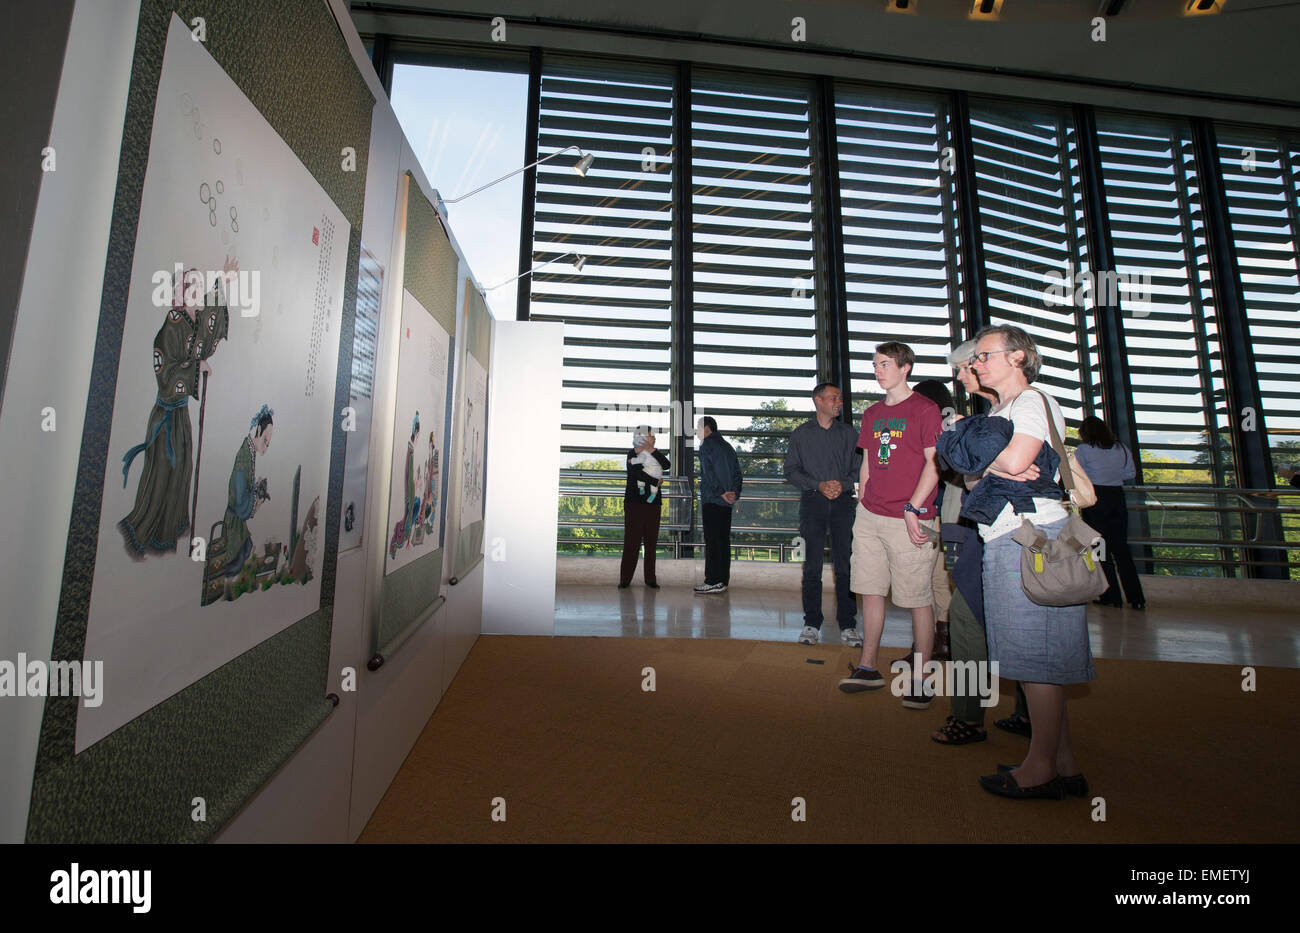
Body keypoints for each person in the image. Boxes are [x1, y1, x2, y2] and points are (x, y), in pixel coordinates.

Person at [967, 323, 1093, 800]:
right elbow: (976, 475)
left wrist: (984, 459)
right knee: (1038, 655)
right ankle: (1062, 760)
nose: (976, 364)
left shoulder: (1030, 403)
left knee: (1037, 659)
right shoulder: (1005, 410)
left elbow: (1015, 463)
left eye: (984, 355)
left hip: (1030, 538)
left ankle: (1040, 769)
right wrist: (987, 463)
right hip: (1017, 534)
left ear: (1018, 357)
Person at [837, 342, 943, 709]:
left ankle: (921, 676)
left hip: (910, 518)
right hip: (870, 516)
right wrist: (863, 501)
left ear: (905, 368)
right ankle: (868, 667)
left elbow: (935, 464)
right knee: (869, 590)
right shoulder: (872, 414)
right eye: (875, 364)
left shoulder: (925, 410)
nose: (877, 370)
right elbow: (867, 461)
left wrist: (914, 507)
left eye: (884, 364)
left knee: (917, 598)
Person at [119, 262, 233, 555]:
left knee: (182, 466)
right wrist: (196, 368)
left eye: (199, 285)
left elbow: (206, 337)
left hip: (180, 413)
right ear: (180, 294)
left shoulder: (191, 323)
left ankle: (170, 529)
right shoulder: (173, 324)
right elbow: (165, 372)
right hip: (166, 414)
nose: (198, 292)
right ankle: (145, 531)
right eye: (191, 287)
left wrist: (222, 282)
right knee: (162, 473)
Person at [783, 382, 863, 647]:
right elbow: (791, 470)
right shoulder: (801, 434)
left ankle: (848, 625)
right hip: (812, 504)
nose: (839, 402)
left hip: (843, 505)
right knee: (812, 567)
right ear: (818, 401)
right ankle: (811, 623)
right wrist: (817, 484)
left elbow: (859, 469)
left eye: (839, 398)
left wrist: (844, 484)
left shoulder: (850, 434)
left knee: (846, 566)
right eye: (833, 398)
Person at [1076, 415, 1145, 610]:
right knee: (1121, 549)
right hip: (1117, 497)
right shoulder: (1121, 448)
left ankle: (1110, 595)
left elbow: (1077, 473)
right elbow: (1130, 474)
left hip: (1095, 500)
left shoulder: (1084, 450)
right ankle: (1136, 598)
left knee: (1101, 549)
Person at [223, 405, 274, 578]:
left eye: (269, 443)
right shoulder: (245, 455)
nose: (266, 446)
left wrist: (255, 490)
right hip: (233, 524)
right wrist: (256, 498)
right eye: (265, 440)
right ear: (259, 429)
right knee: (234, 564)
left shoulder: (250, 453)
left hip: (238, 523)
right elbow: (239, 502)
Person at [695, 416, 742, 595]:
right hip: (727, 503)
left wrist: (720, 491)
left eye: (698, 428)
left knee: (712, 541)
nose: (697, 432)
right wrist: (733, 493)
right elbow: (738, 473)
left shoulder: (706, 445)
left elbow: (708, 473)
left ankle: (712, 580)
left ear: (707, 428)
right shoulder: (728, 447)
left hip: (713, 500)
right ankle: (723, 580)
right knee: (723, 541)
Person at [620, 426, 670, 589]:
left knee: (651, 543)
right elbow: (636, 473)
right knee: (631, 543)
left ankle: (650, 579)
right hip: (634, 504)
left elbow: (667, 464)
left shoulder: (655, 454)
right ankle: (625, 580)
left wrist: (652, 450)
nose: (654, 438)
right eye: (651, 436)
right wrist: (655, 482)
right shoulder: (632, 453)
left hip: (653, 505)